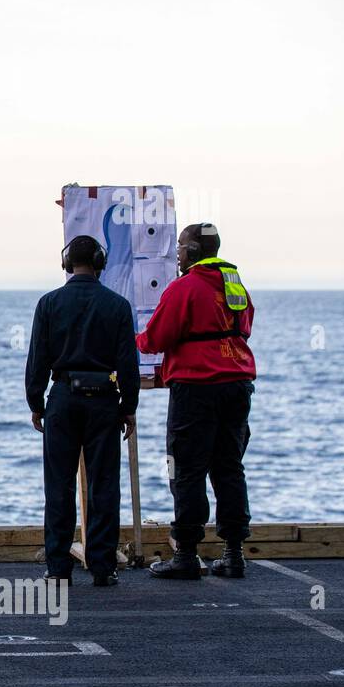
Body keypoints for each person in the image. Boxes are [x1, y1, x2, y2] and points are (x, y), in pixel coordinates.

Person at [136, 223, 256, 580]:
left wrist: (133, 339)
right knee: (229, 467)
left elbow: (156, 337)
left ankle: (186, 553)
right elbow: (246, 326)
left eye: (180, 248)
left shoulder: (184, 287)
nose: (176, 254)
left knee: (186, 469)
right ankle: (234, 553)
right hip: (237, 383)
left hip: (196, 387)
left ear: (191, 251)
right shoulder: (235, 284)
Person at [25, 235, 140, 586]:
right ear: (99, 261)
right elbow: (128, 365)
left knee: (58, 485)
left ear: (66, 262)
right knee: (104, 484)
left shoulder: (48, 304)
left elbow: (37, 362)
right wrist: (128, 407)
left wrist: (37, 404)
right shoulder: (118, 306)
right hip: (104, 401)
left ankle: (58, 568)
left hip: (62, 398)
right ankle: (103, 567)